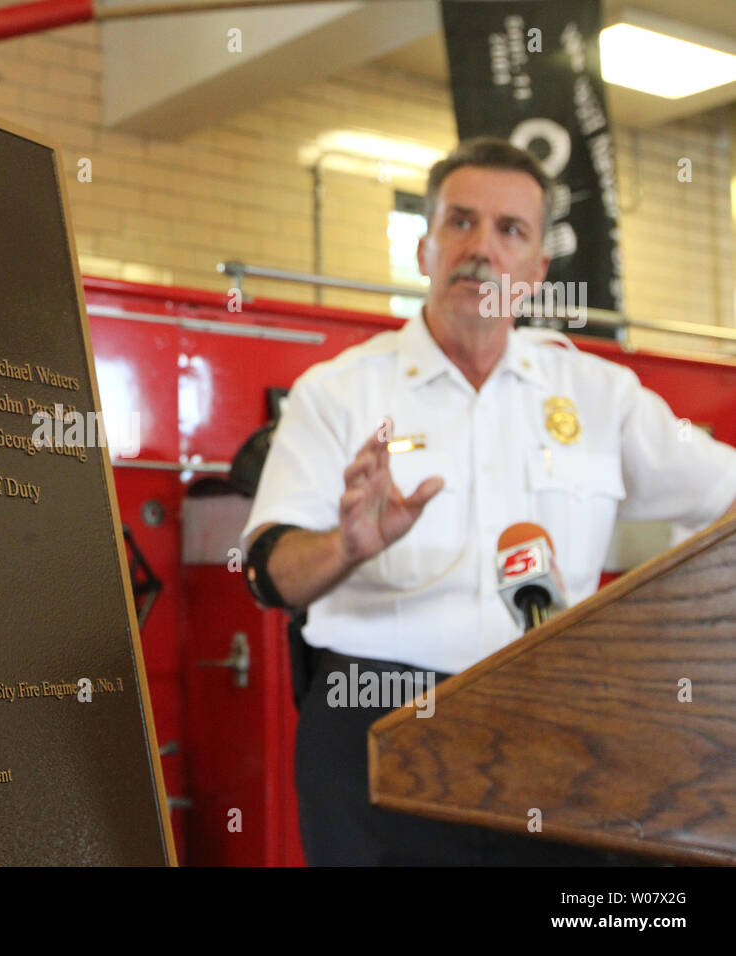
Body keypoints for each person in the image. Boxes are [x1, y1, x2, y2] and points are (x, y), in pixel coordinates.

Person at [241, 136, 736, 865]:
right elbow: (267, 571)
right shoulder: (339, 392)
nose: (482, 249)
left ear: (536, 269)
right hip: (376, 721)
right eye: (460, 222)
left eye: (510, 231)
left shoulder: (600, 396)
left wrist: (671, 637)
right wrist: (345, 546)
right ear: (424, 248)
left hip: (556, 728)